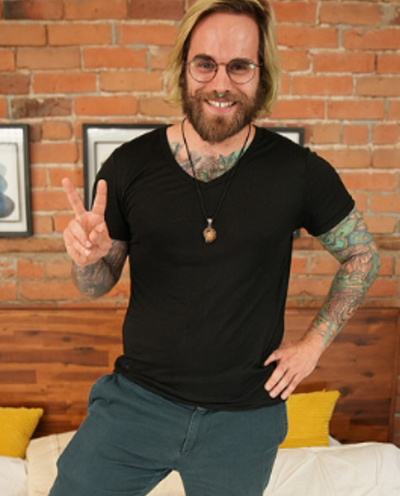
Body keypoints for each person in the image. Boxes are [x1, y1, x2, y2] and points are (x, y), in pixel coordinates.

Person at [51, 0, 380, 495]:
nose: (220, 83)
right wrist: (87, 259)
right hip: (136, 405)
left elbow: (363, 255)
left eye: (239, 66)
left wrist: (313, 346)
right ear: (184, 68)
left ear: (261, 74)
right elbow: (94, 286)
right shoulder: (128, 166)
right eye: (205, 64)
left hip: (243, 422)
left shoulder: (298, 171)